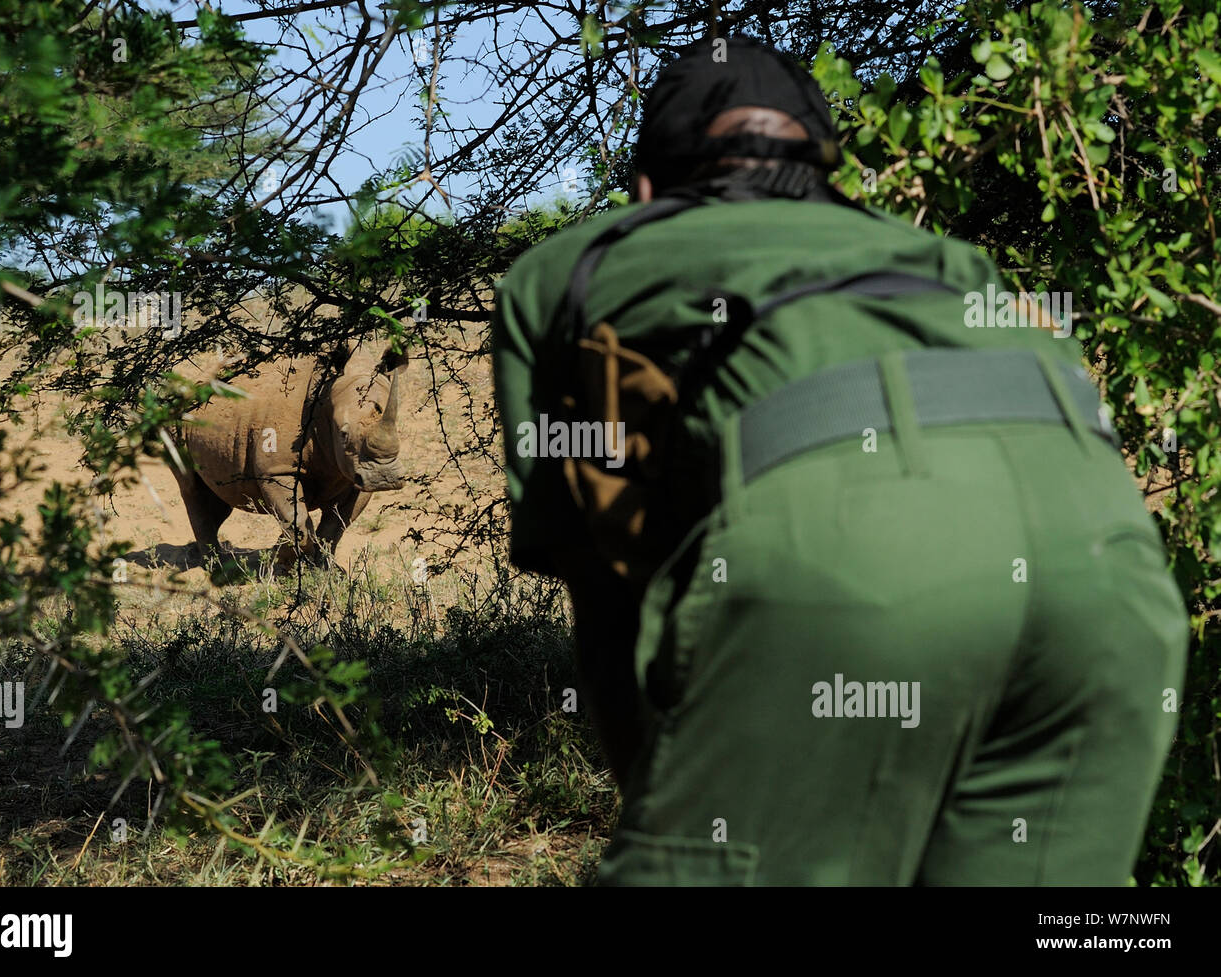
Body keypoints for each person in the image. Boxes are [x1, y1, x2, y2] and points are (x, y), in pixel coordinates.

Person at [491, 36, 1187, 884]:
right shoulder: (942, 260)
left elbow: (599, 579)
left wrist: (667, 808)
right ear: (827, 178)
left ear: (642, 190)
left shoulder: (567, 271)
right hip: (1112, 573)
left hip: (854, 561)